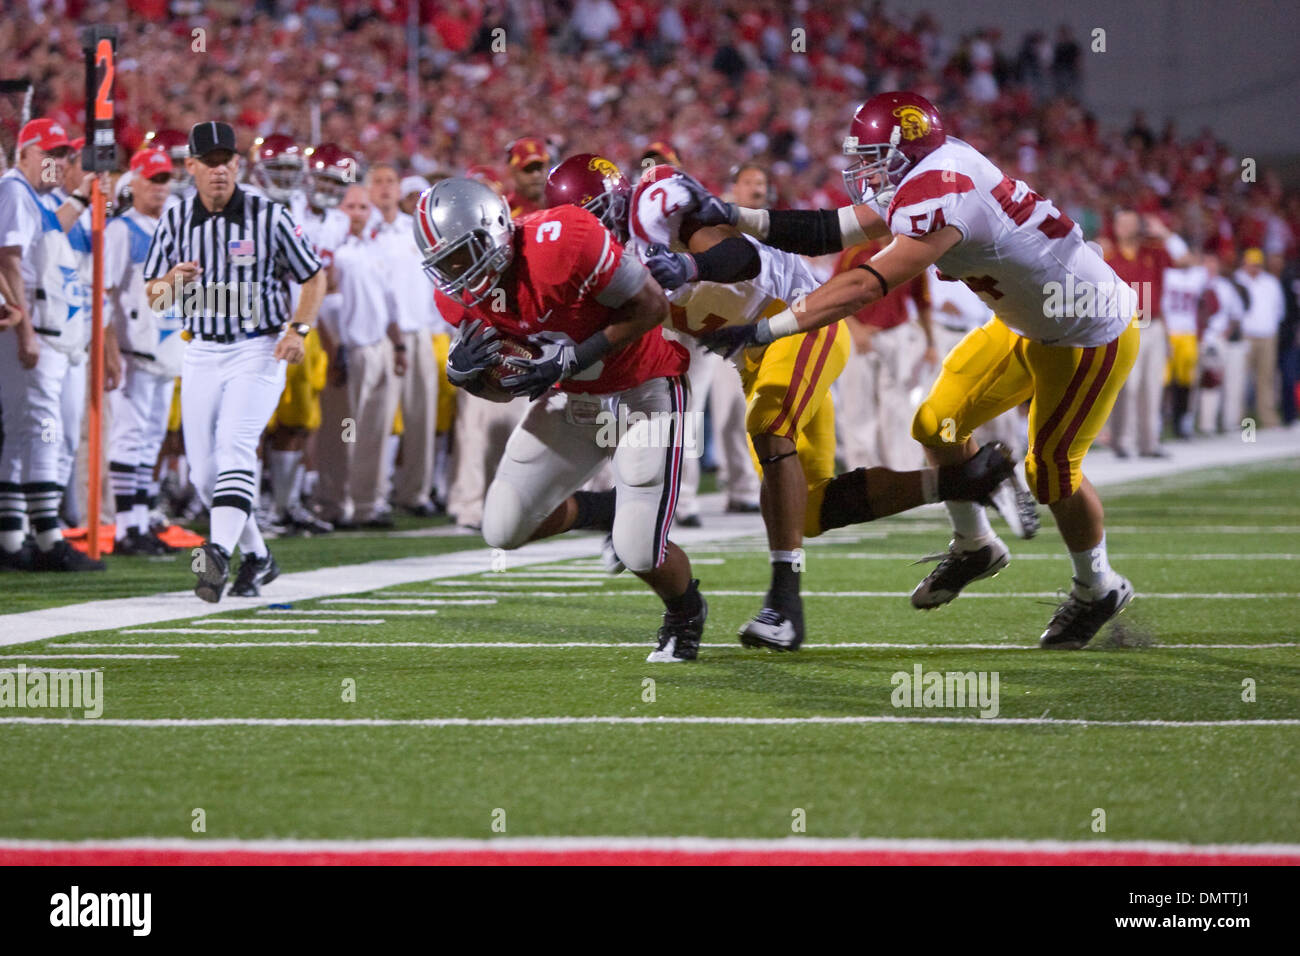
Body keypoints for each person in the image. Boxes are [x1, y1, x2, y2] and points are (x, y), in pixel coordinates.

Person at [677, 91, 1143, 650]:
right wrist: (736, 216)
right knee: (936, 425)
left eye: (876, 156)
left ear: (910, 151)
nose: (865, 169)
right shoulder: (929, 171)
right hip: (1023, 323)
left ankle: (1099, 586)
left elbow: (863, 285)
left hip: (1089, 330)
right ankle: (975, 546)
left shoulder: (942, 192)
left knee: (1050, 473)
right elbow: (831, 228)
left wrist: (764, 331)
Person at [639, 164, 1015, 650]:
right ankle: (961, 479)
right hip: (755, 361)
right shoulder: (631, 265)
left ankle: (783, 607)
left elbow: (738, 260)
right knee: (808, 511)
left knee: (768, 424)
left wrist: (689, 267)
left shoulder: (705, 230)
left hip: (800, 325)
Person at [413, 176, 706, 662]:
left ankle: (684, 611)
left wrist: (573, 358)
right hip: (574, 402)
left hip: (644, 387)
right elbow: (505, 391)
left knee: (638, 550)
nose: (457, 274)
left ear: (494, 229)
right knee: (503, 528)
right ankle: (608, 511)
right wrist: (469, 378)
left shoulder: (564, 240)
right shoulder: (458, 297)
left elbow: (652, 305)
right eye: (445, 263)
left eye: (462, 256)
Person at [143, 121, 326, 601]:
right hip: (202, 348)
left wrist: (299, 328)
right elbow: (154, 298)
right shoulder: (176, 219)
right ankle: (260, 558)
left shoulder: (269, 215)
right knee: (204, 475)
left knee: (235, 445)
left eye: (227, 161)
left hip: (257, 347)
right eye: (209, 162)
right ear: (192, 167)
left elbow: (314, 277)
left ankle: (217, 554)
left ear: (238, 165)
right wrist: (172, 286)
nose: (219, 170)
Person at [0, 117, 103, 571]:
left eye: (63, 155)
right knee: (41, 427)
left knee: (31, 430)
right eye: (49, 153)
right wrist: (24, 328)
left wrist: (82, 197)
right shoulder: (14, 190)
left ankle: (12, 535)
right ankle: (47, 536)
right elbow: (8, 259)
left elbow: (46, 234)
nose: (58, 163)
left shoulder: (30, 196)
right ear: (24, 154)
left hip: (43, 326)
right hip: (31, 325)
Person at [105, 147, 184, 555]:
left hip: (166, 349)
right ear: (132, 182)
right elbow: (104, 291)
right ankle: (123, 529)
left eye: (164, 179)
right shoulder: (122, 230)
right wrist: (108, 346)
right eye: (152, 179)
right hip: (134, 350)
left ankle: (140, 521)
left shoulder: (172, 230)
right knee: (129, 436)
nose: (159, 187)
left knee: (152, 436)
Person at [315, 185, 402, 528]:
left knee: (375, 432)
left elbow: (390, 302)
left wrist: (398, 346)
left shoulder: (376, 247)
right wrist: (333, 349)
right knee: (342, 432)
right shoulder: (333, 251)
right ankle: (333, 503)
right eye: (349, 206)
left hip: (380, 346)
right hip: (348, 347)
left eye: (362, 207)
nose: (356, 213)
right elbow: (323, 302)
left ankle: (369, 503)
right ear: (339, 210)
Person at [368, 162, 440, 516]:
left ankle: (416, 492)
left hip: (419, 331)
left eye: (390, 181)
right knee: (377, 421)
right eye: (377, 181)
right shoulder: (362, 230)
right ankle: (373, 496)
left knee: (422, 418)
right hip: (379, 335)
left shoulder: (417, 231)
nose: (384, 188)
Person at [1104, 210, 1192, 458]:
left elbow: (1186, 261)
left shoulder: (1152, 251)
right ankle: (1124, 441)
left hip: (1153, 324)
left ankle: (1148, 442)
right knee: (1128, 386)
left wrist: (1166, 234)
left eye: (1129, 222)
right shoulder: (1109, 256)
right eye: (1120, 222)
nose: (1123, 227)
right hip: (1125, 326)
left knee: (1152, 386)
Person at [1234, 248, 1285, 429]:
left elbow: (1279, 309)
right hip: (1246, 335)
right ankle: (1238, 418)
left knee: (1266, 379)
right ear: (1245, 263)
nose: (1254, 268)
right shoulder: (1238, 280)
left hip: (1267, 336)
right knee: (1240, 378)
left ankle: (1268, 418)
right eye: (1251, 264)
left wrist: (1270, 328)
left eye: (1257, 265)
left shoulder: (1270, 282)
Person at [504, 138, 551, 218]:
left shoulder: (561, 202)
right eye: (528, 169)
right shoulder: (506, 214)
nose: (536, 175)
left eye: (539, 167)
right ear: (513, 172)